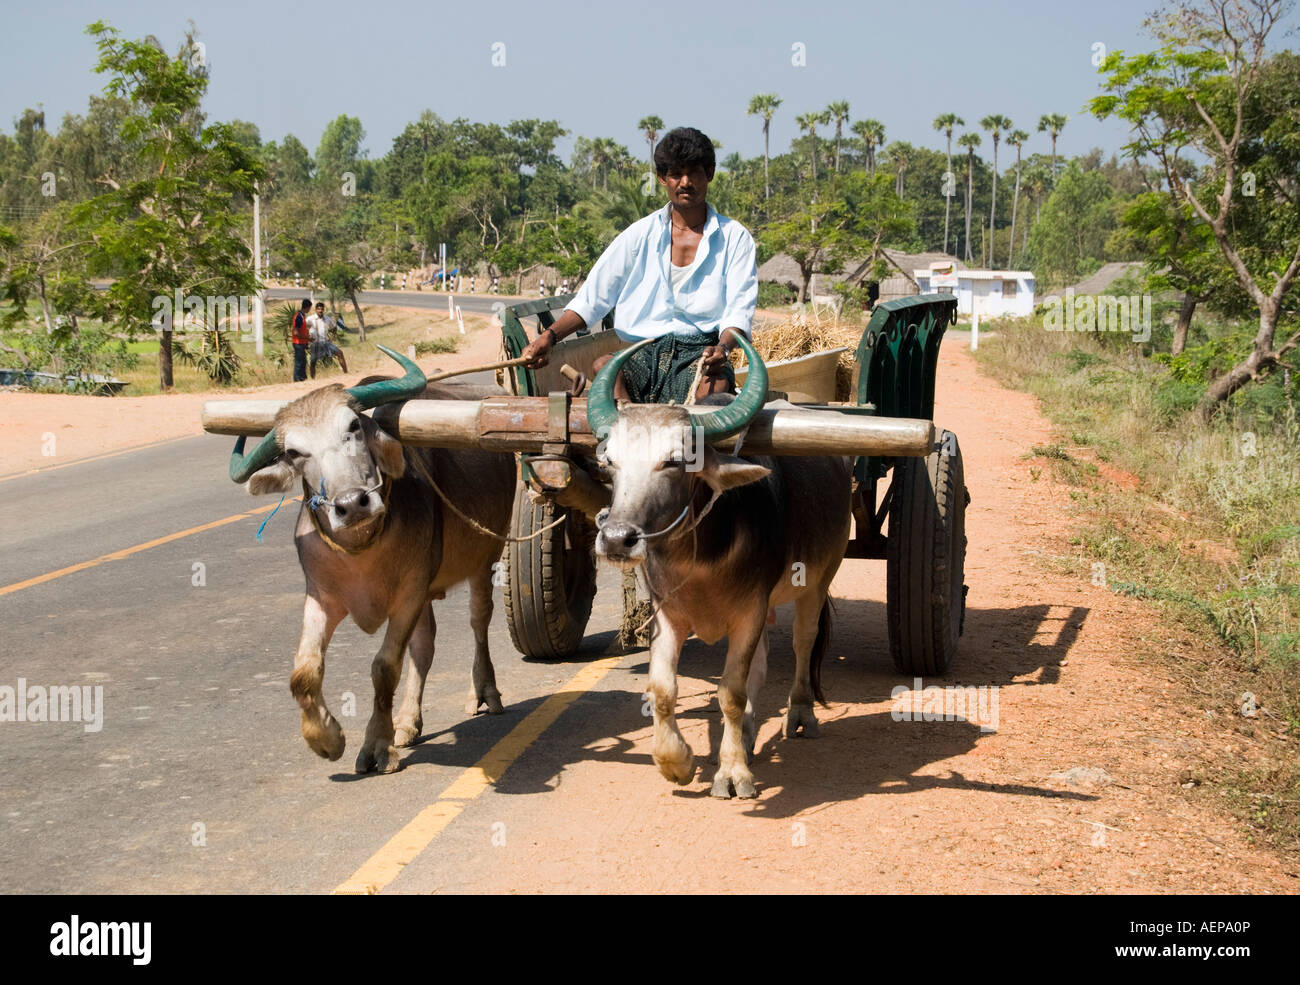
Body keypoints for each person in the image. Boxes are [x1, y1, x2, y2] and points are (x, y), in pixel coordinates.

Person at [520, 126, 757, 404]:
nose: (685, 182)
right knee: (604, 368)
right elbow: (594, 298)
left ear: (710, 174)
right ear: (662, 178)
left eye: (693, 172)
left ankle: (692, 447)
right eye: (675, 174)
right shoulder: (639, 235)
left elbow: (738, 311)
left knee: (713, 389)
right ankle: (630, 438)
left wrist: (723, 349)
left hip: (702, 355)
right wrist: (548, 337)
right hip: (644, 352)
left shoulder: (735, 237)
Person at [306, 301, 349, 379]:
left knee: (340, 353)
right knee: (313, 362)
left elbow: (334, 328)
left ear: (323, 310)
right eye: (318, 309)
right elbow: (304, 328)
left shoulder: (327, 318)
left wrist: (332, 338)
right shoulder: (310, 319)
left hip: (326, 342)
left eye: (322, 309)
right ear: (315, 310)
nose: (320, 311)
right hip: (315, 343)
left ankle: (346, 373)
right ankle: (313, 379)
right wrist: (308, 338)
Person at [290, 299, 312, 382]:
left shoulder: (302, 316)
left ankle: (303, 379)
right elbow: (296, 332)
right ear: (308, 307)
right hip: (298, 343)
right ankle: (297, 379)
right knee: (299, 362)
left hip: (302, 342)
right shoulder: (299, 316)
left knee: (303, 362)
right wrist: (307, 338)